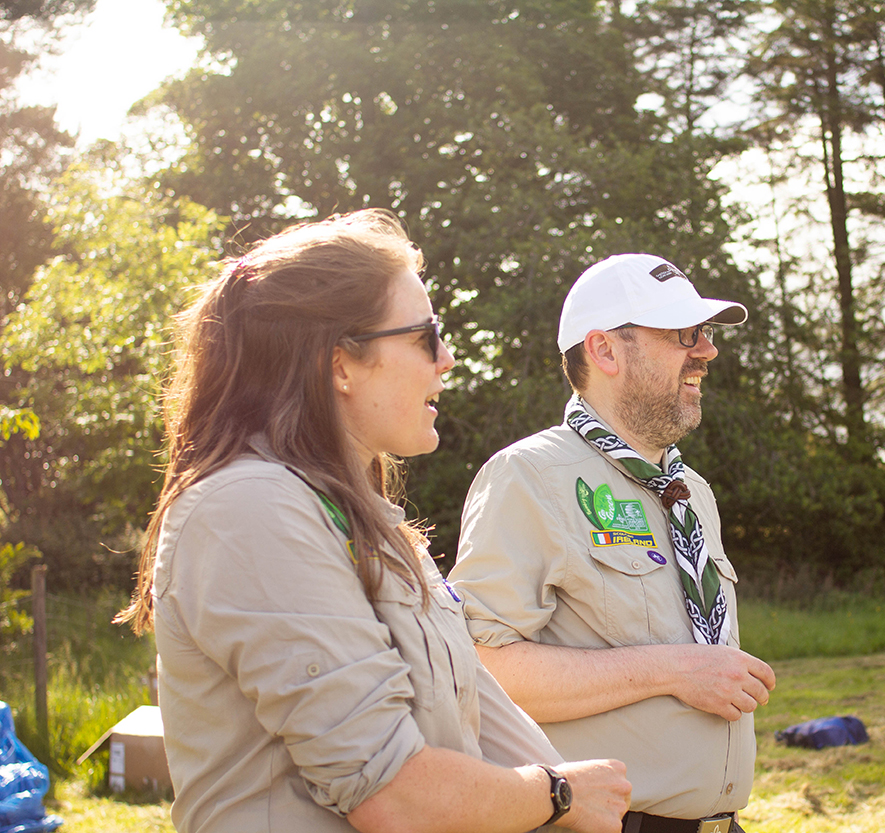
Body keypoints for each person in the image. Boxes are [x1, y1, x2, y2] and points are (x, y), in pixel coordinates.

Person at [116, 210, 631, 833]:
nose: (446, 359)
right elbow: (393, 795)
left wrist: (565, 794)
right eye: (425, 335)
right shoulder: (247, 510)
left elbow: (476, 719)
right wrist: (562, 795)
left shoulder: (355, 519)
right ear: (340, 364)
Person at [448, 254, 776, 833]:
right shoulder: (527, 476)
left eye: (703, 334)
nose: (707, 351)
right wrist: (675, 670)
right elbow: (477, 671)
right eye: (684, 333)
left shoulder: (688, 491)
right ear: (604, 351)